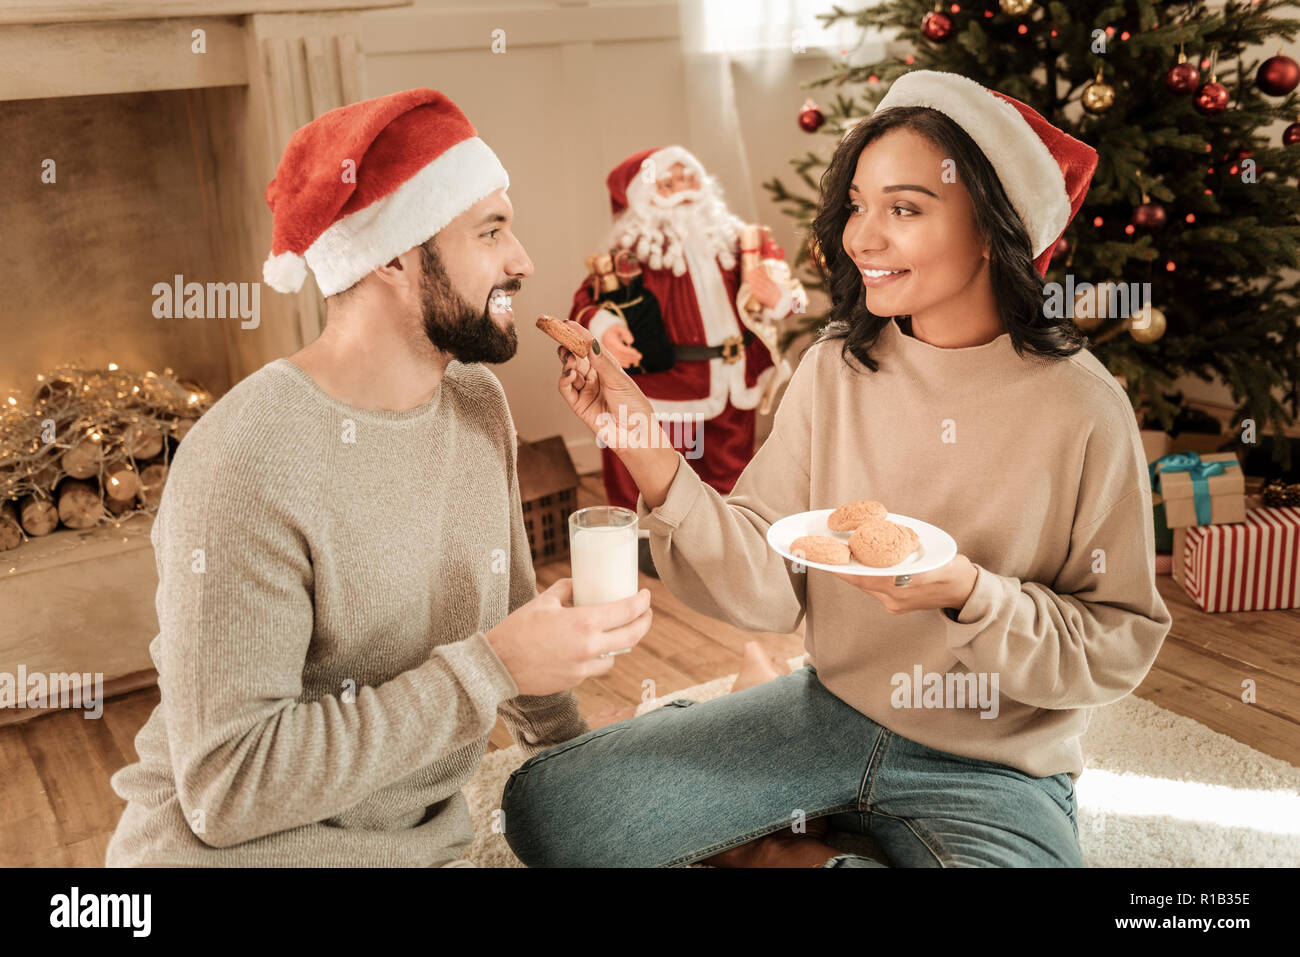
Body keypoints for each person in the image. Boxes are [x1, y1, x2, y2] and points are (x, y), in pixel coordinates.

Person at [502, 70, 1173, 868]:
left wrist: (972, 595)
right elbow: (766, 577)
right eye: (858, 204)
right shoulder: (833, 369)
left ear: (994, 226)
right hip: (829, 714)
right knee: (549, 808)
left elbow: (1118, 642)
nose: (861, 239)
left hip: (995, 770)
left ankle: (781, 854)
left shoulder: (1083, 409)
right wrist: (645, 444)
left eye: (905, 209)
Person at [105, 88, 652, 867]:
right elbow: (226, 787)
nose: (522, 260)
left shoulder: (475, 403)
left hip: (419, 845)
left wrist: (578, 761)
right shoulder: (244, 458)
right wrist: (488, 668)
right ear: (393, 254)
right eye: (490, 231)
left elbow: (508, 613)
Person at [568, 147, 801, 575]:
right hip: (668, 386)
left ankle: (728, 545)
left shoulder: (737, 242)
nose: (682, 192)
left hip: (732, 377)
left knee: (730, 462)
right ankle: (650, 549)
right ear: (643, 200)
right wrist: (603, 326)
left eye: (687, 179)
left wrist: (783, 298)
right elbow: (587, 300)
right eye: (667, 185)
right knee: (650, 465)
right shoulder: (635, 256)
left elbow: (783, 285)